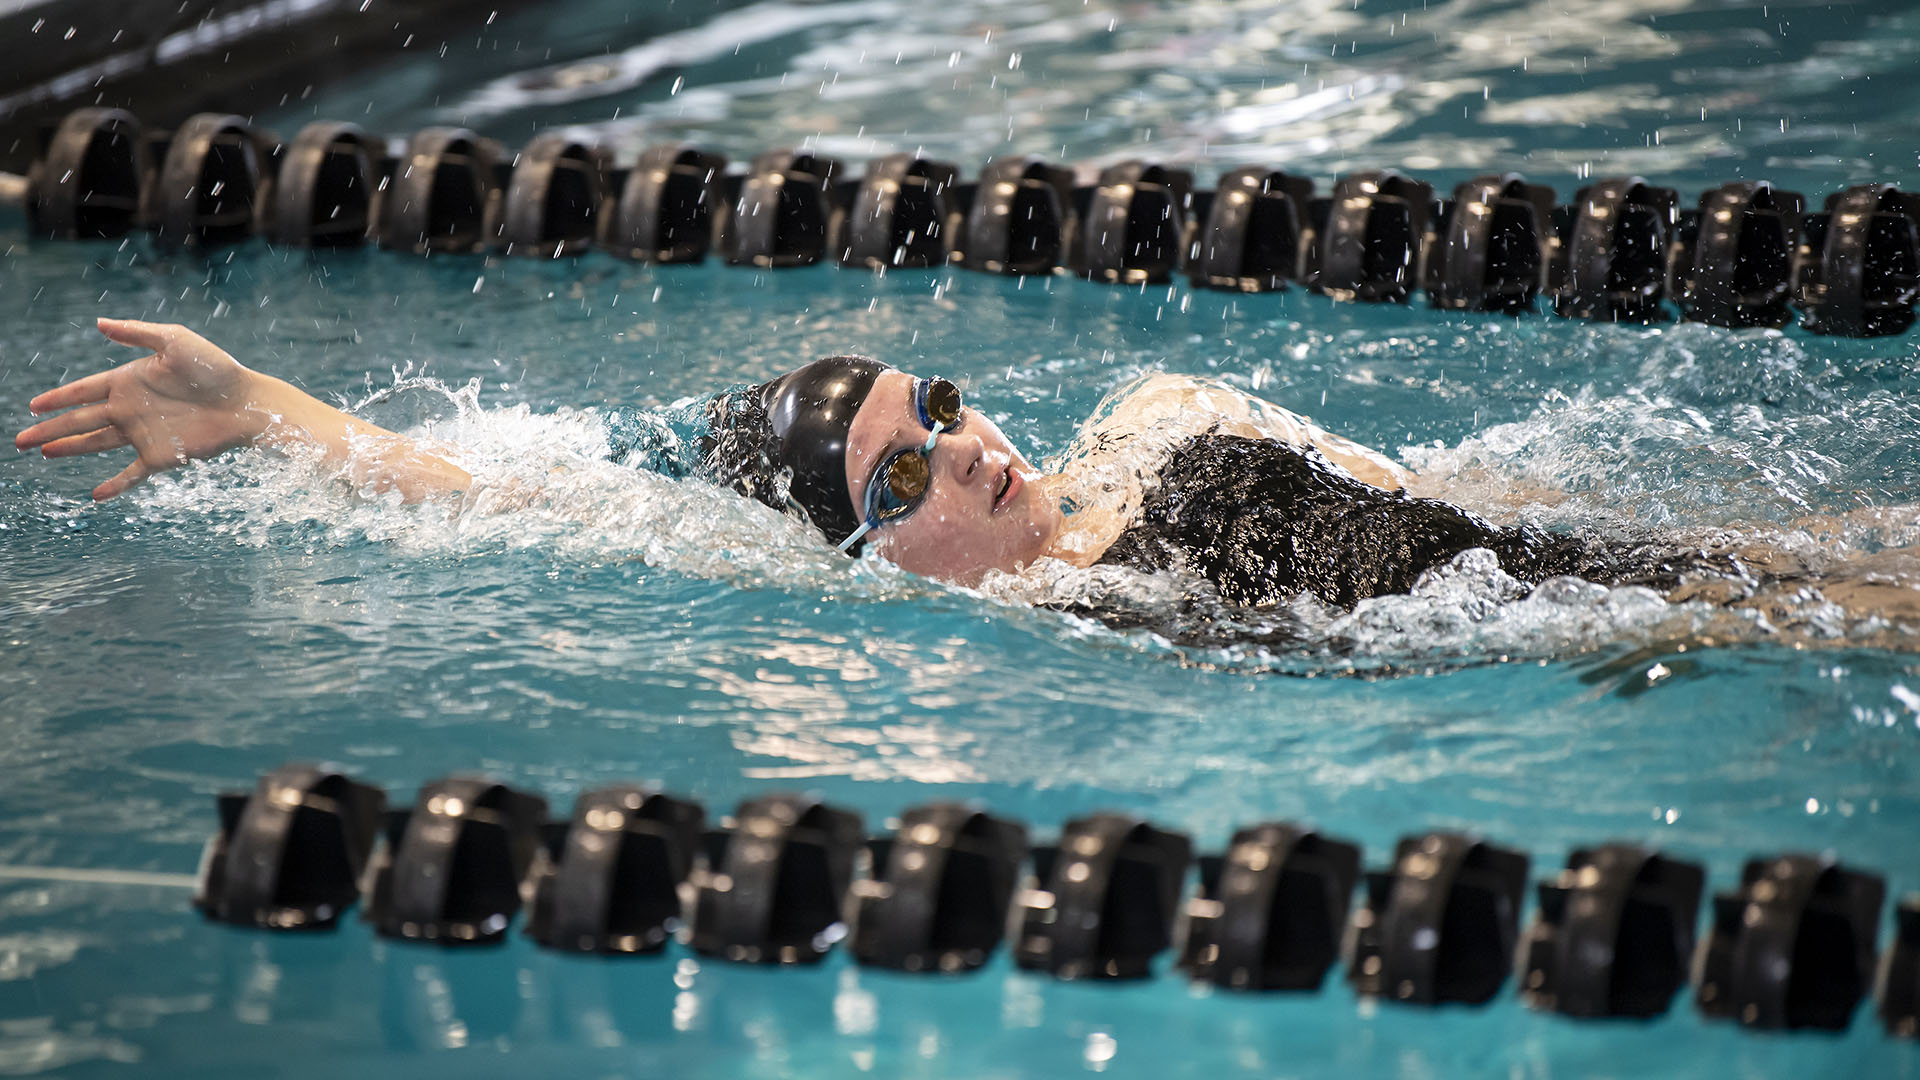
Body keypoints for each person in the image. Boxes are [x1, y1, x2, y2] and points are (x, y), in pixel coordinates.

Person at [9, 318, 1816, 640]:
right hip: (1564, 608)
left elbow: (1475, 503)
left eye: (937, 408)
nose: (962, 444)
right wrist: (263, 412)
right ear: (857, 558)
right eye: (901, 480)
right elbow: (518, 499)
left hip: (1589, 553)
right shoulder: (1109, 605)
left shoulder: (1138, 440)